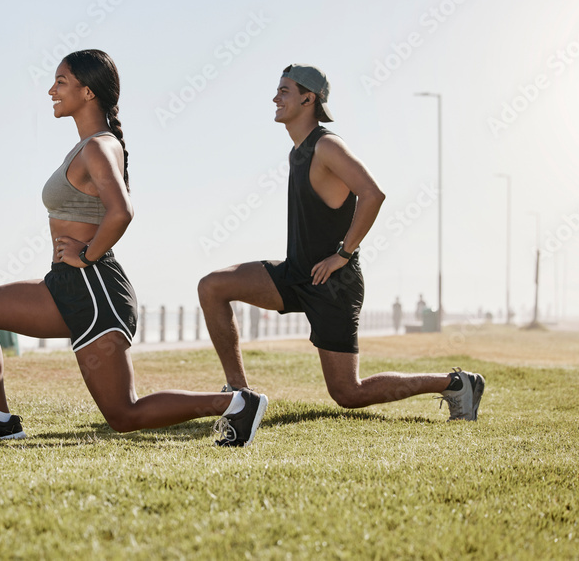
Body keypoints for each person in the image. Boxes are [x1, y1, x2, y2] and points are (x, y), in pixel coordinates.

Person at [0, 49, 268, 446]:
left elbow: (121, 211)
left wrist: (86, 254)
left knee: (123, 414)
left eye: (61, 82)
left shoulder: (99, 146)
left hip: (94, 288)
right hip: (67, 284)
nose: (51, 90)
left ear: (87, 92)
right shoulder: (89, 146)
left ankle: (238, 404)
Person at [197, 64, 484, 421]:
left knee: (348, 393)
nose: (275, 97)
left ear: (308, 98)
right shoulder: (297, 151)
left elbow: (373, 193)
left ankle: (457, 383)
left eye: (284, 91)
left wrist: (343, 254)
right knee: (212, 287)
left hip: (333, 286)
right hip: (297, 274)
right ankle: (240, 395)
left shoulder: (326, 146)